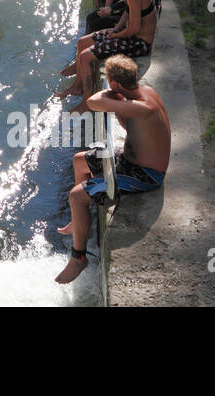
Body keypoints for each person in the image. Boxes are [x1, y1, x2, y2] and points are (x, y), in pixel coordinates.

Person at [54, 54, 170, 284]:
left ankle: (79, 258)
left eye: (109, 81)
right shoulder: (143, 92)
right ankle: (79, 222)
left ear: (115, 83)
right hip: (130, 159)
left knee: (76, 195)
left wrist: (109, 94)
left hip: (145, 174)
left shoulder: (142, 107)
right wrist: (115, 96)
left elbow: (94, 102)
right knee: (80, 160)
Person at [58, 0, 159, 101]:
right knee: (82, 42)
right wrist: (116, 28)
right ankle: (77, 86)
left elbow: (134, 28)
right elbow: (127, 11)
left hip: (139, 42)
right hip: (128, 33)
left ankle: (87, 101)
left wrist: (116, 35)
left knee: (86, 56)